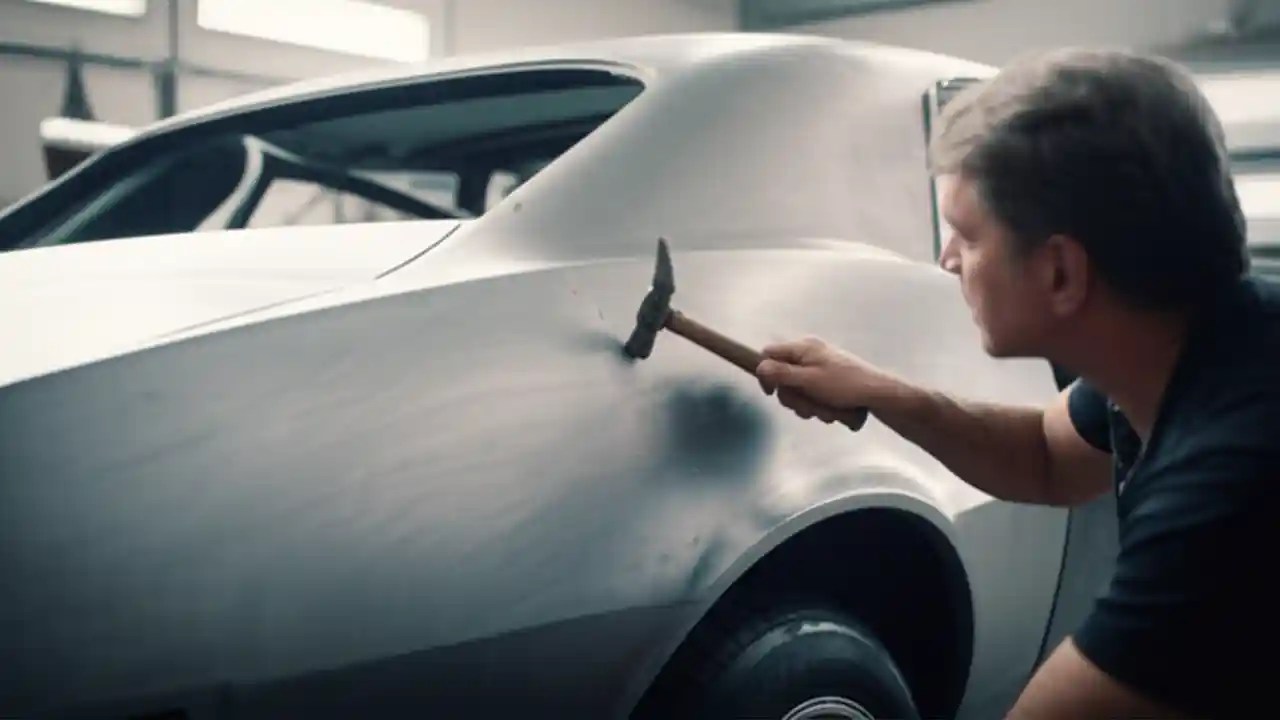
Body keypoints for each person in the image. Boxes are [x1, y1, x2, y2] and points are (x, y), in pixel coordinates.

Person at [756, 47, 1278, 719]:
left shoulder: (1231, 482)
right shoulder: (1194, 345)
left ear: (1061, 273)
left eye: (968, 236)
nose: (948, 261)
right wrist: (877, 391)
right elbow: (1046, 458)